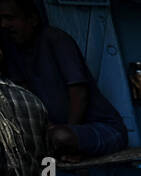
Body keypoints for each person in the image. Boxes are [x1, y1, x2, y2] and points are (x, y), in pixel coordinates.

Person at [0, 0, 127, 159]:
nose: (4, 25)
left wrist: (70, 132)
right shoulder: (12, 50)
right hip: (55, 130)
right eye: (1, 19)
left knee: (60, 137)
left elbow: (79, 93)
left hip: (103, 129)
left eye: (10, 18)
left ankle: (70, 150)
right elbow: (26, 97)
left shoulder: (56, 40)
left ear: (32, 19)